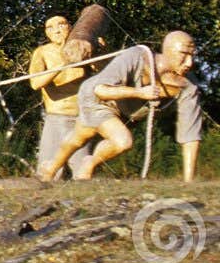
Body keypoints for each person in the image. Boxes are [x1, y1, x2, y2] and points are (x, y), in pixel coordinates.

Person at [38, 31, 203, 183]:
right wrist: (139, 93)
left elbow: (190, 134)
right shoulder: (137, 56)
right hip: (97, 97)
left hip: (124, 109)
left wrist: (188, 182)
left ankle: (51, 167)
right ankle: (88, 163)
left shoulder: (187, 85)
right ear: (167, 51)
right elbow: (100, 90)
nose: (189, 62)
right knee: (121, 141)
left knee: (80, 135)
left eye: (192, 55)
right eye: (183, 55)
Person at [29, 14, 91, 179]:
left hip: (81, 119)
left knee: (83, 172)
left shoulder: (82, 48)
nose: (56, 30)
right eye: (50, 27)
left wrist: (99, 50)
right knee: (47, 173)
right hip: (55, 118)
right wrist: (63, 63)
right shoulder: (42, 52)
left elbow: (105, 74)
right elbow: (35, 83)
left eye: (61, 24)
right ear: (46, 33)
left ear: (70, 27)